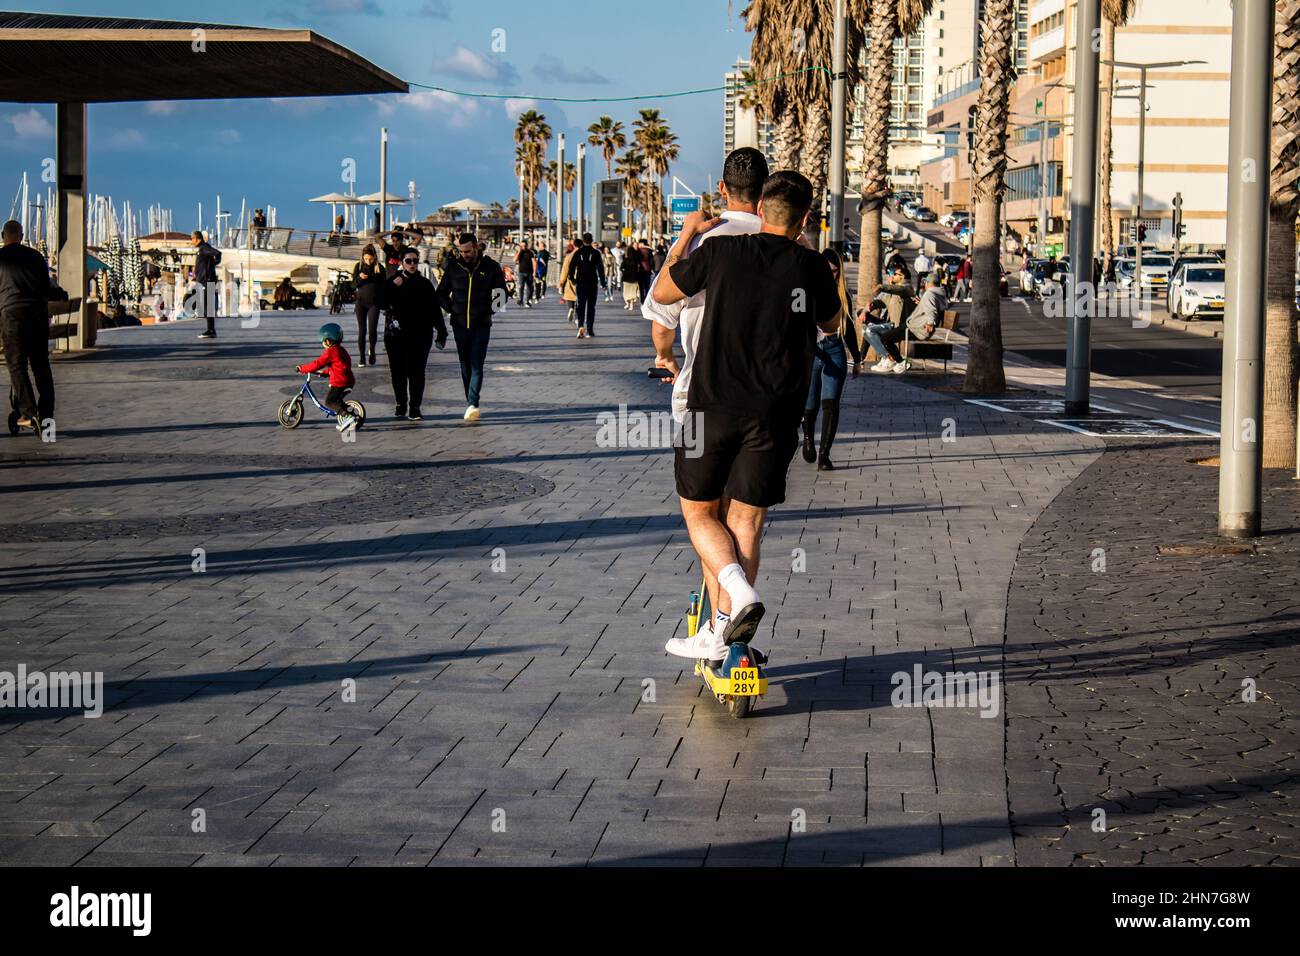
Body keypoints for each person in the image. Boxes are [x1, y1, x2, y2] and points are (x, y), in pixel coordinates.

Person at [651, 170, 842, 661]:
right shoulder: (812, 266)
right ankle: (721, 632)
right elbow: (832, 322)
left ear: (759, 210)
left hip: (710, 405)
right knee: (747, 520)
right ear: (803, 222)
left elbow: (665, 294)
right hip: (776, 414)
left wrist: (689, 234)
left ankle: (735, 591)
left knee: (698, 511)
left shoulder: (719, 252)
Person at [644, 145, 767, 433]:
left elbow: (662, 324)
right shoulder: (782, 243)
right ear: (764, 189)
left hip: (700, 394)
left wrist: (667, 358)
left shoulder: (697, 241)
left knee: (697, 477)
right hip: (763, 397)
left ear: (723, 188)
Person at [436, 232, 507, 422]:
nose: (464, 255)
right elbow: (440, 293)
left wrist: (489, 311)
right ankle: (470, 401)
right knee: (465, 364)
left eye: (467, 251)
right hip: (459, 324)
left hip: (482, 325)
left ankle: (473, 403)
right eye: (461, 251)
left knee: (477, 363)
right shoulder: (453, 267)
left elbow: (501, 293)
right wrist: (452, 308)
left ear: (476, 247)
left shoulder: (491, 267)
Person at [800, 248, 855, 470]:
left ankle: (825, 455)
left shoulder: (842, 294)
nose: (830, 275)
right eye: (826, 270)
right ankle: (807, 440)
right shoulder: (806, 291)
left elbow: (849, 326)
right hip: (813, 352)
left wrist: (857, 358)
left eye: (834, 271)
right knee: (810, 405)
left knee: (831, 404)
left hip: (834, 349)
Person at [0, 220, 54, 430]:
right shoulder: (36, 256)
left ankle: (29, 412)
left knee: (16, 365)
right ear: (21, 236)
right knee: (41, 366)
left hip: (12, 317)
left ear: (4, 236)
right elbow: (47, 288)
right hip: (37, 317)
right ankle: (47, 417)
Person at [384, 247, 447, 421]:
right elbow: (380, 302)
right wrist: (392, 287)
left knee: (417, 372)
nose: (412, 264)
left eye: (415, 261)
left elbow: (435, 310)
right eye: (408, 261)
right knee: (398, 372)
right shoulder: (393, 281)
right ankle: (400, 404)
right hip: (395, 336)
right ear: (402, 263)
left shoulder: (424, 284)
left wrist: (442, 331)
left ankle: (415, 407)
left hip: (420, 336)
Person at [295, 322, 357, 432]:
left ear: (328, 341)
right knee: (337, 400)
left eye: (323, 342)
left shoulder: (330, 352)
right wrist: (325, 373)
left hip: (339, 382)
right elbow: (340, 366)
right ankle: (348, 414)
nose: (322, 344)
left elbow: (317, 364)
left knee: (329, 401)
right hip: (349, 380)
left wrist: (302, 368)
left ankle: (348, 417)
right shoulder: (341, 350)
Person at [863, 264, 917, 373]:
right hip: (890, 323)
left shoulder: (907, 288)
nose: (892, 276)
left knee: (870, 330)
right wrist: (872, 305)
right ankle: (886, 358)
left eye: (895, 274)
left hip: (898, 326)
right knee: (865, 330)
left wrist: (881, 286)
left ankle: (888, 358)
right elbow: (883, 302)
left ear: (902, 277)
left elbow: (898, 289)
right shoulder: (894, 291)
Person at [565, 233, 606, 338]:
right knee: (591, 307)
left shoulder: (578, 252)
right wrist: (603, 282)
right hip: (592, 283)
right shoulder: (596, 253)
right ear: (592, 240)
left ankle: (580, 326)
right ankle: (590, 329)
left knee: (581, 305)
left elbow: (572, 267)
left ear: (583, 240)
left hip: (581, 282)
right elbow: (600, 268)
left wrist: (572, 279)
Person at [352, 244, 385, 366]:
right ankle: (362, 357)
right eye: (366, 259)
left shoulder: (379, 268)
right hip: (360, 303)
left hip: (373, 304)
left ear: (375, 257)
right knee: (362, 331)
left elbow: (383, 287)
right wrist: (359, 278)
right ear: (362, 257)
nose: (368, 261)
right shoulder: (358, 266)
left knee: (372, 330)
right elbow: (352, 285)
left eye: (370, 259)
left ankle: (372, 350)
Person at [192, 230, 221, 338]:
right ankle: (211, 329)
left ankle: (211, 330)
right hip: (204, 280)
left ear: (198, 239)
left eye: (192, 238)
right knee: (205, 305)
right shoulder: (201, 248)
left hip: (207, 280)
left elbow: (217, 253)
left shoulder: (204, 247)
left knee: (206, 306)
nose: (191, 241)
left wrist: (214, 263)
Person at [557, 242, 578, 325]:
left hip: (570, 280)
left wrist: (561, 282)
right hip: (581, 279)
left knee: (569, 296)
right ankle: (577, 317)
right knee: (579, 299)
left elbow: (564, 271)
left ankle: (571, 308)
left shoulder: (569, 257)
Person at [620, 244, 642, 310]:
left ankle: (627, 304)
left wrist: (624, 272)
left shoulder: (626, 260)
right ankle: (631, 305)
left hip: (626, 279)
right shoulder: (636, 260)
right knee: (632, 293)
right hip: (634, 278)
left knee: (626, 293)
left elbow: (621, 268)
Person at [514, 241, 535, 307]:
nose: (524, 247)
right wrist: (519, 251)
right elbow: (515, 260)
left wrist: (535, 272)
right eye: (522, 246)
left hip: (529, 272)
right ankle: (520, 300)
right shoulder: (519, 252)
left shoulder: (530, 252)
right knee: (521, 287)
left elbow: (534, 262)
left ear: (527, 245)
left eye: (525, 245)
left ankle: (528, 301)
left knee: (529, 287)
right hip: (521, 272)